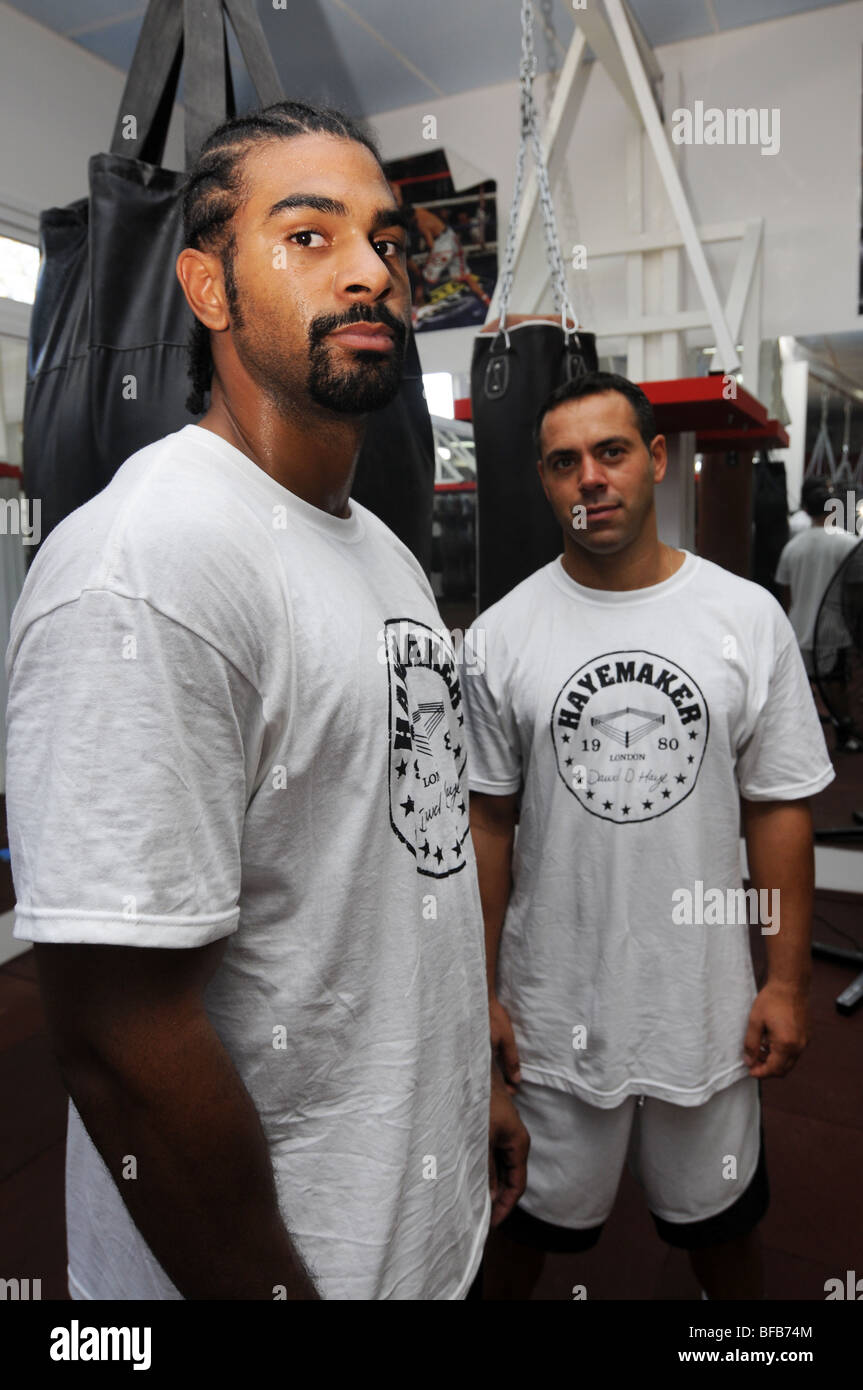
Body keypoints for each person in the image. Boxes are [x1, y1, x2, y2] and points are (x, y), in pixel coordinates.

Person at [5, 100, 527, 1302]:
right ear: (205, 287)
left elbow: (408, 851)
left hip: (407, 1224)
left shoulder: (381, 553)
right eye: (307, 236)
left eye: (387, 243)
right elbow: (121, 1045)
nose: (368, 273)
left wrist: (470, 1078)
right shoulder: (150, 565)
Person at [461, 371, 834, 1300]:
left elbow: (778, 805)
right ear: (544, 481)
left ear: (655, 460)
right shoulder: (502, 638)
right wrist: (480, 997)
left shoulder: (744, 617)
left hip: (701, 1008)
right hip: (549, 1009)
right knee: (508, 1237)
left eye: (610, 452)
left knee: (725, 1243)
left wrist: (785, 980)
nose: (589, 478)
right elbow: (486, 822)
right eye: (562, 462)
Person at [775, 476, 861, 751]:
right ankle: (845, 733)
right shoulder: (847, 542)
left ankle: (802, 739)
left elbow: (786, 593)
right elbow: (855, 592)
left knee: (801, 686)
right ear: (832, 508)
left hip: (798, 627)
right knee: (836, 683)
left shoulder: (793, 547)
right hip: (833, 627)